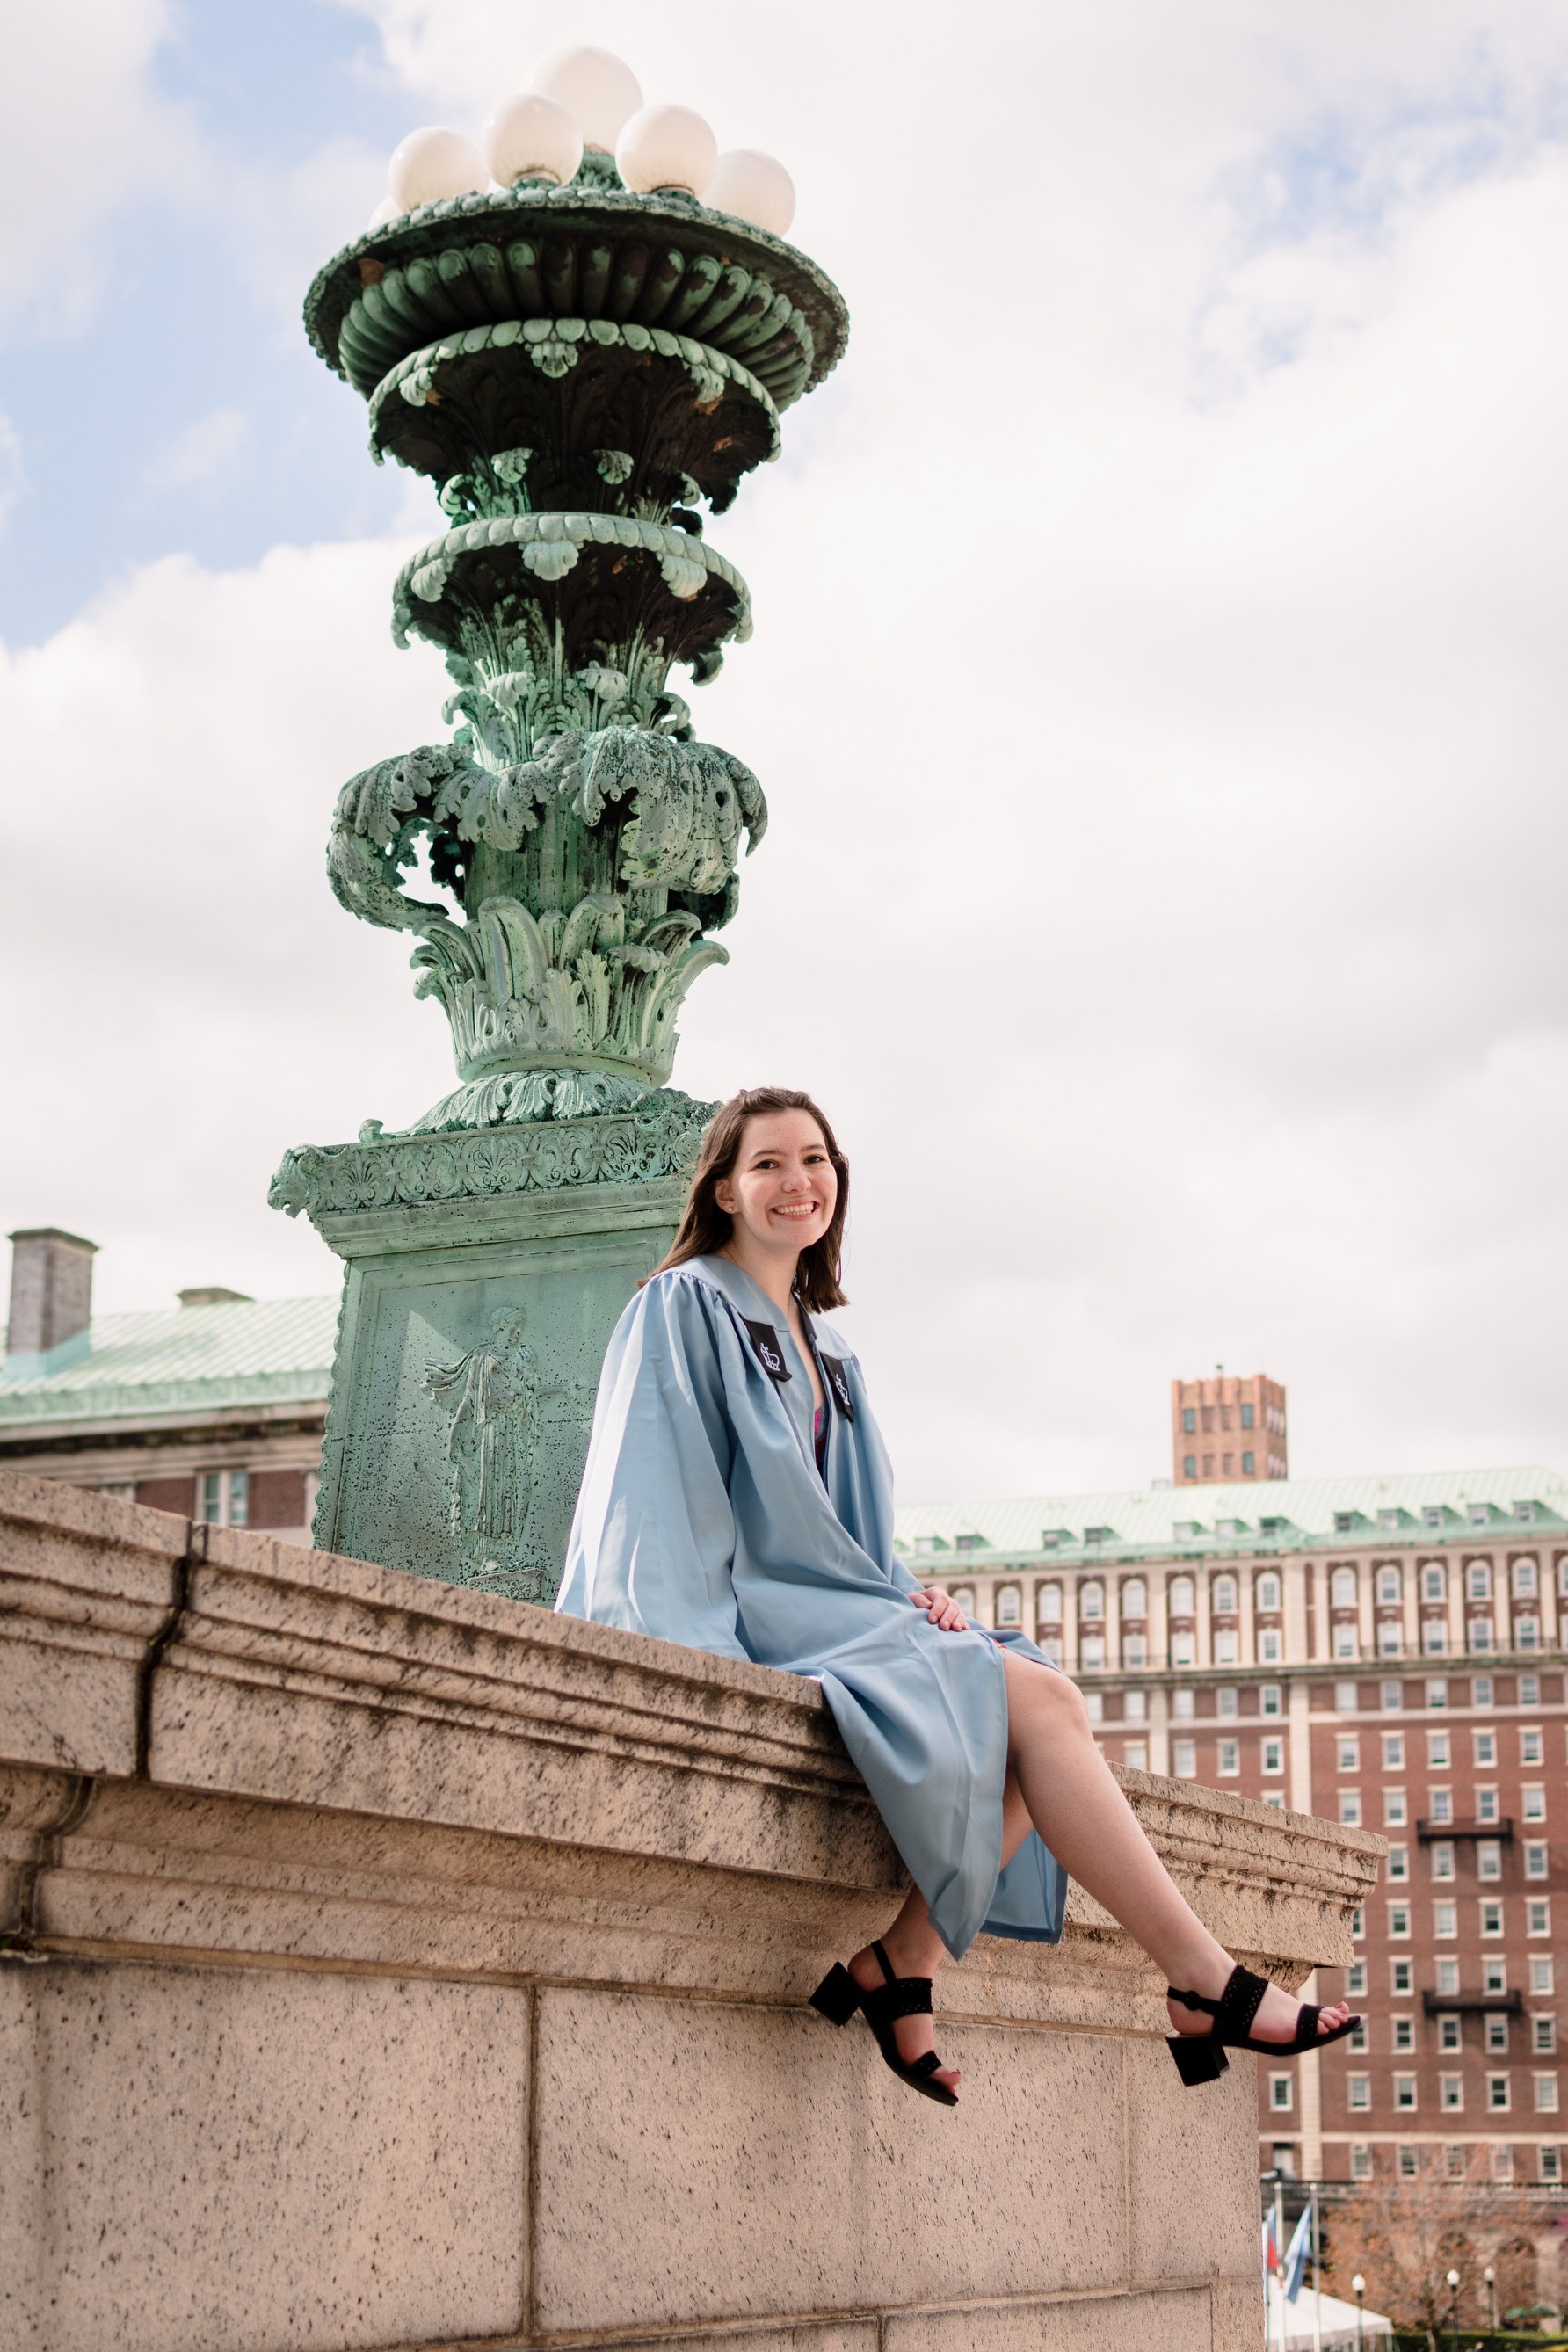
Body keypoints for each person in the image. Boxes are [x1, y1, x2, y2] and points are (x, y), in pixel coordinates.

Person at [556, 1085, 1359, 2105]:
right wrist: (690, 1654)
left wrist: (905, 1598)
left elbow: (848, 1527)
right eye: (766, 1164)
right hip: (753, 1610)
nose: (795, 1182)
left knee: (1015, 1683)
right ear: (721, 1189)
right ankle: (1198, 1982)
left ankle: (905, 1962)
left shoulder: (829, 1346)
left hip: (838, 1603)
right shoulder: (679, 1304)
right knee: (1033, 1700)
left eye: (814, 1159)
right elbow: (649, 1491)